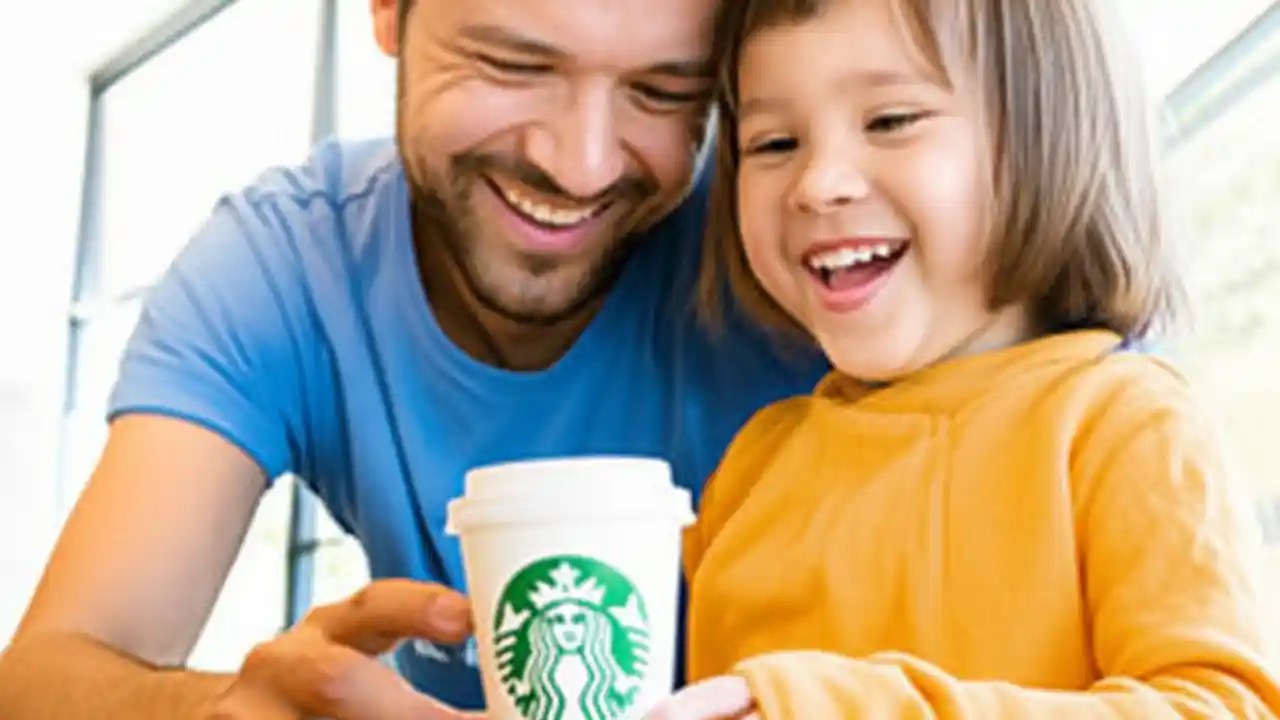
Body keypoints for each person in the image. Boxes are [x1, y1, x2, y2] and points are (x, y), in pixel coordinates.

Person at [0, 0, 826, 718]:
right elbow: (47, 675)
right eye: (513, 65)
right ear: (390, 7)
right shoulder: (290, 266)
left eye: (664, 93)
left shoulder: (811, 236)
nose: (583, 164)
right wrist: (223, 709)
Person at [643, 0, 1280, 717]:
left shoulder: (1125, 427)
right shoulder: (749, 473)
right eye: (773, 143)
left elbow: (1222, 707)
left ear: (1051, 136)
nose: (817, 184)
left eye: (890, 121)